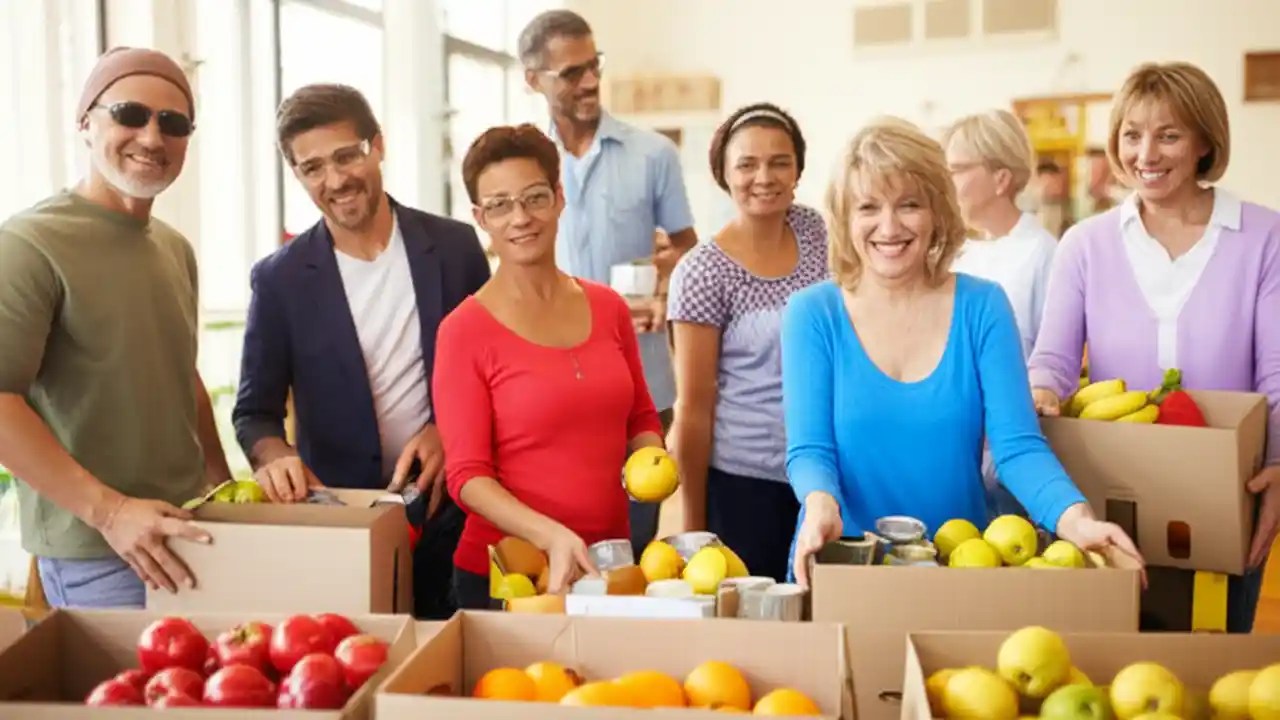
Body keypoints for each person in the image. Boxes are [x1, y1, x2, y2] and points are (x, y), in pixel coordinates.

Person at [782, 117, 1143, 588]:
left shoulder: (982, 306)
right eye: (868, 207)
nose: (888, 227)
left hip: (960, 568)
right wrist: (820, 503)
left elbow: (1017, 448)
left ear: (937, 211)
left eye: (909, 204)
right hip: (840, 564)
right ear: (844, 217)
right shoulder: (813, 314)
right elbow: (810, 450)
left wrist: (1076, 521)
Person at [1027, 61, 1279, 633]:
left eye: (1168, 135)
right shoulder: (1085, 244)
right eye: (1132, 135)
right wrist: (1041, 393)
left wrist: (1279, 466)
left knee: (1214, 662)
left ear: (1204, 143)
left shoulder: (1264, 237)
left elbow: (1276, 374)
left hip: (1224, 490)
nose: (1147, 154)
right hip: (1114, 489)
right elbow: (1055, 362)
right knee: (1118, 658)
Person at [231, 84, 490, 619]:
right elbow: (254, 412)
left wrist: (449, 428)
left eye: (347, 155)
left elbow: (490, 373)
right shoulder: (279, 281)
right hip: (344, 523)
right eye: (313, 168)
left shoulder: (456, 247)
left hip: (453, 512)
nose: (336, 179)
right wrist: (275, 456)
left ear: (378, 146)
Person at [0, 47, 230, 608]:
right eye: (130, 114)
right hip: (102, 551)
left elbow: (181, 376)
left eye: (173, 123)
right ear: (85, 123)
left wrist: (224, 490)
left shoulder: (175, 249)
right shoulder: (29, 244)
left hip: (192, 533)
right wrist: (112, 512)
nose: (152, 137)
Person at [433, 124, 665, 609]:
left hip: (609, 568)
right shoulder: (463, 332)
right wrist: (550, 535)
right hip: (510, 577)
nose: (521, 217)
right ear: (481, 218)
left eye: (535, 197)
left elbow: (641, 418)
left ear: (559, 198)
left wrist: (653, 460)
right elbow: (467, 476)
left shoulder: (609, 308)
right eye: (499, 205)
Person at [517, 9, 699, 557]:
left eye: (593, 65)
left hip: (639, 379)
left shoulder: (653, 155)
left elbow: (687, 248)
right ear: (534, 80)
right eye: (571, 73)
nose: (590, 81)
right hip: (549, 391)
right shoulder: (523, 161)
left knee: (635, 548)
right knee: (561, 547)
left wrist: (666, 285)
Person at [666, 103, 826, 582]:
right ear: (723, 174)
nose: (765, 176)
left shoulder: (815, 231)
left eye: (780, 161)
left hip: (819, 472)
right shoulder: (700, 272)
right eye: (747, 164)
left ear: (798, 169)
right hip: (743, 484)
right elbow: (693, 409)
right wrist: (693, 527)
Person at [942, 109, 1059, 519]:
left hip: (1012, 454)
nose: (946, 181)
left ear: (1001, 179)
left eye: (956, 169)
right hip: (958, 449)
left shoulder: (1043, 253)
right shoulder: (963, 255)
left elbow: (1055, 361)